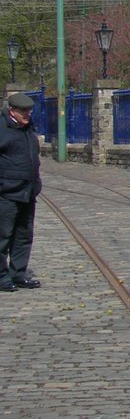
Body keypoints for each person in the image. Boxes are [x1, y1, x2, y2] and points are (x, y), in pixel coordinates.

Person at [0, 92, 42, 291]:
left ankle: (18, 273)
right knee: (2, 236)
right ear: (12, 111)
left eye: (29, 110)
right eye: (23, 111)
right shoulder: (2, 128)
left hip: (27, 191)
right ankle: (1, 277)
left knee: (23, 235)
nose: (27, 114)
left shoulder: (28, 128)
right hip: (6, 193)